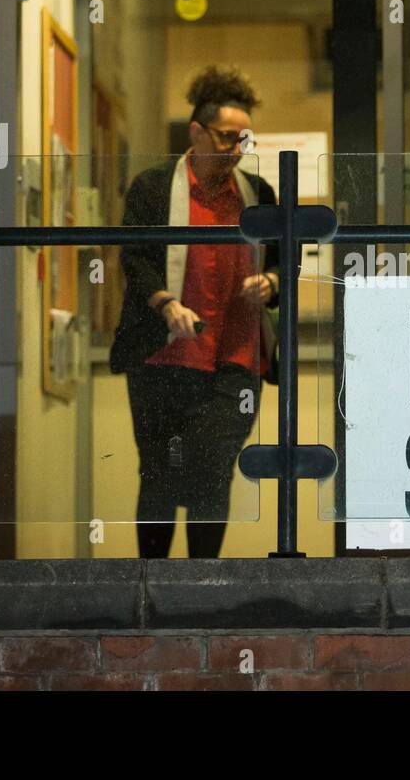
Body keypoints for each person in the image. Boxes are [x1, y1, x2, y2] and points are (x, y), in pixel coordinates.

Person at [109, 66, 279, 559]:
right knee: (159, 471)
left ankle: (202, 584)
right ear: (197, 133)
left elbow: (286, 258)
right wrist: (164, 303)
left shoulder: (257, 194)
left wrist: (270, 281)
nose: (236, 148)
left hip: (235, 358)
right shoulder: (153, 187)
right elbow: (135, 258)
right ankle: (153, 585)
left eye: (244, 139)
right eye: (227, 137)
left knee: (212, 467)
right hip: (162, 357)